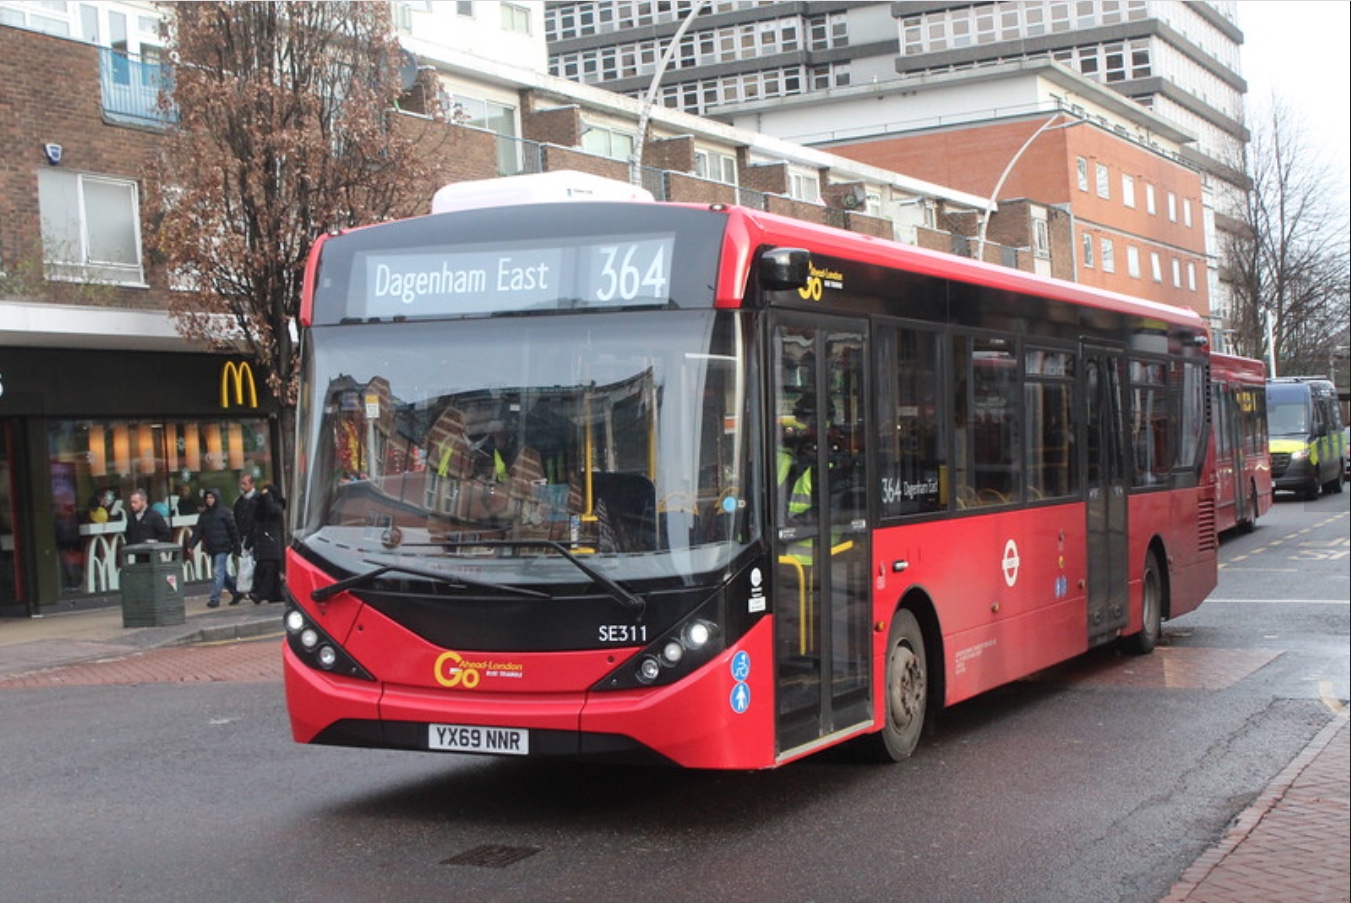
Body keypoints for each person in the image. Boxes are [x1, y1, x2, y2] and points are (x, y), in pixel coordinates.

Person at [187, 488, 241, 608]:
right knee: (221, 572)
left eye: (211, 497)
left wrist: (237, 547)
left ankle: (214, 598)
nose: (209, 500)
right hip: (212, 547)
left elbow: (233, 531)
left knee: (218, 572)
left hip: (223, 546)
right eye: (207, 498)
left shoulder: (225, 513)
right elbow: (198, 531)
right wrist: (191, 545)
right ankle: (236, 592)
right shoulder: (204, 515)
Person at [248, 482, 286, 604]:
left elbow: (273, 510)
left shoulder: (277, 505)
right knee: (268, 570)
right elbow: (254, 514)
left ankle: (261, 594)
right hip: (263, 543)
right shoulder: (261, 507)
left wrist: (267, 497)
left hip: (272, 542)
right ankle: (275, 594)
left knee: (269, 570)